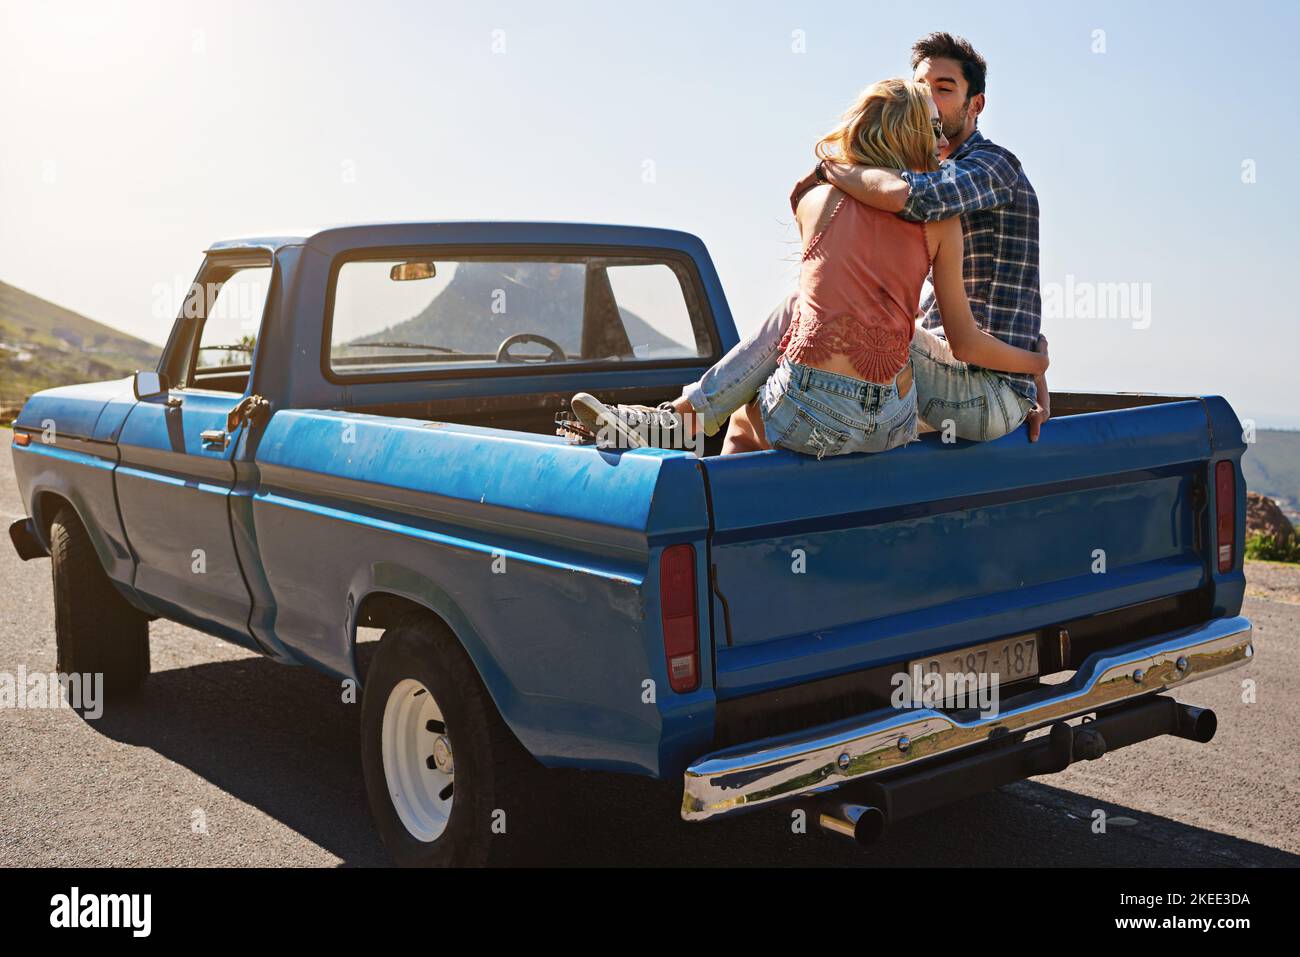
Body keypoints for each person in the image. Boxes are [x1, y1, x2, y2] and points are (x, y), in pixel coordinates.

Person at [573, 32, 1051, 453]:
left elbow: (914, 197)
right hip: (959, 369)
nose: (931, 101)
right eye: (922, 89)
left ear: (976, 105)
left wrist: (832, 167)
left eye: (944, 89)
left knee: (801, 312)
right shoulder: (911, 190)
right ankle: (687, 429)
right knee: (748, 414)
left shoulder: (989, 168)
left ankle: (680, 425)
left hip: (982, 381)